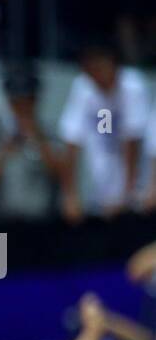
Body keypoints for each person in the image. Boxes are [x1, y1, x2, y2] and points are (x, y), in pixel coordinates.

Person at [58, 41, 150, 223]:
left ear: (114, 64)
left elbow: (132, 141)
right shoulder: (83, 88)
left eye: (100, 69)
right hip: (99, 192)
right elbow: (71, 143)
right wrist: (70, 195)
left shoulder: (133, 87)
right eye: (91, 70)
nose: (96, 76)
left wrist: (126, 194)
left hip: (135, 192)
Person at [0, 63, 62, 219]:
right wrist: (4, 153)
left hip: (44, 222)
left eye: (27, 104)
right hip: (5, 222)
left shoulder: (49, 137)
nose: (22, 110)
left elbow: (61, 174)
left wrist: (37, 139)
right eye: (17, 104)